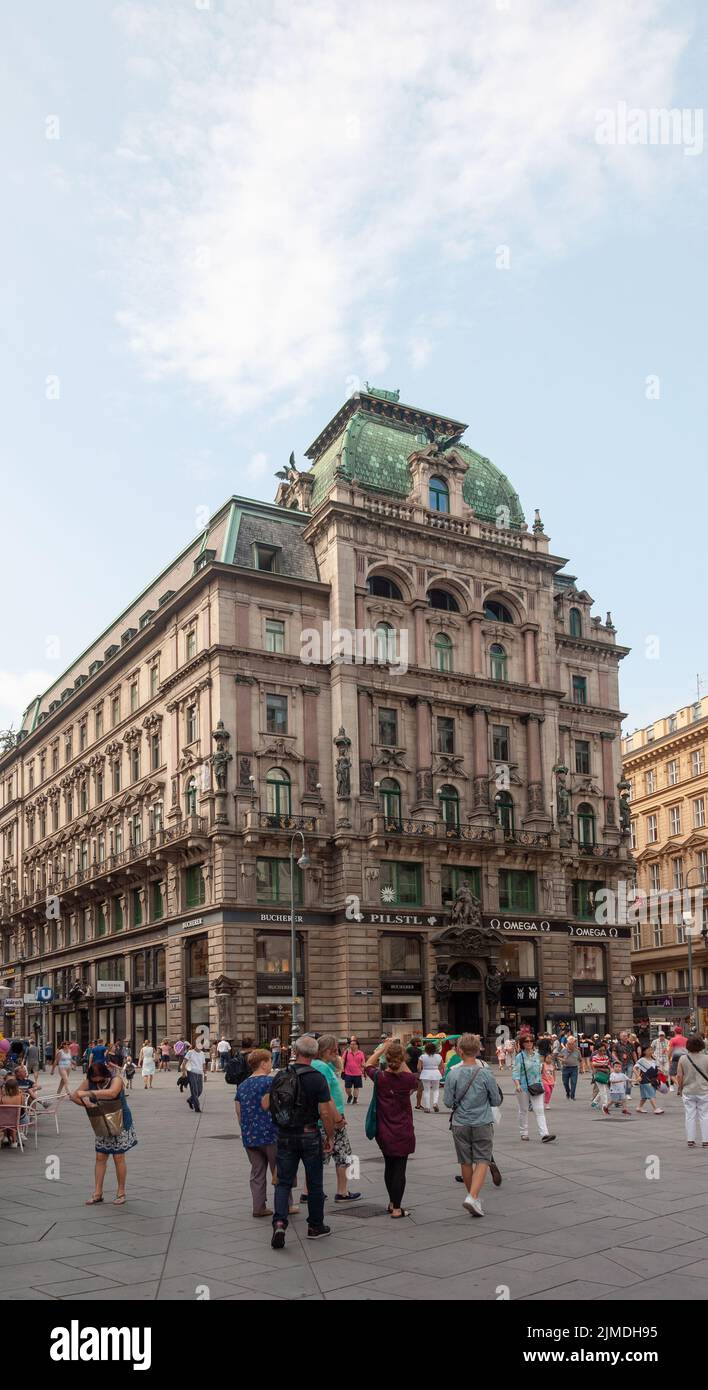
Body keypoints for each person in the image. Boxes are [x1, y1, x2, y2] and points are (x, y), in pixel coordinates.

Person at [265, 1034, 336, 1248]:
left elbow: (267, 1104)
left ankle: (279, 1223)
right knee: (314, 1182)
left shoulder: (281, 1075)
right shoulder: (317, 1078)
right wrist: (330, 1136)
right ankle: (315, 1226)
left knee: (283, 1182)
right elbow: (325, 1112)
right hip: (309, 1134)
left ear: (295, 1052)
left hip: (285, 1134)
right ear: (314, 1054)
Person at [444, 1032, 502, 1218]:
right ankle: (472, 1197)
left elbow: (446, 1102)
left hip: (460, 1123)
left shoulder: (453, 1074)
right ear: (478, 1051)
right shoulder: (485, 1073)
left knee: (465, 1161)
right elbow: (495, 1100)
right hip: (482, 1121)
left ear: (459, 1051)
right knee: (483, 1159)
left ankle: (473, 1198)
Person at [365, 1038, 419, 1217]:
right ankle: (397, 1208)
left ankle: (391, 1202)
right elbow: (410, 1077)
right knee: (400, 1169)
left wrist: (382, 1049)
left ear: (387, 1059)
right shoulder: (409, 1079)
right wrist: (400, 1057)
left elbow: (368, 1064)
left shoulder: (380, 1078)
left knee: (389, 1166)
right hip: (403, 1129)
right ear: (403, 1059)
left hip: (384, 1129)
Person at [71, 1060, 137, 1204]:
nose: (96, 1081)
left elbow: (112, 1092)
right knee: (100, 1156)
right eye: (93, 1078)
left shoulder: (116, 1079)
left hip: (119, 1121)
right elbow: (74, 1095)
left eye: (99, 1077)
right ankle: (97, 1192)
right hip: (101, 1122)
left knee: (118, 1157)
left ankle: (121, 1192)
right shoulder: (90, 1081)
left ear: (104, 1074)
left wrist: (89, 1093)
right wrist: (87, 1104)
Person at [312, 1036, 361, 1201]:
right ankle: (343, 1192)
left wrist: (334, 1058)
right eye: (334, 1049)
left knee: (319, 1157)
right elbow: (326, 1097)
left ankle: (307, 1192)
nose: (337, 1052)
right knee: (344, 1155)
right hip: (331, 1117)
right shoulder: (322, 1067)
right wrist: (338, 1119)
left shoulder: (320, 1065)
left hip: (323, 1117)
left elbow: (340, 1066)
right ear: (326, 1050)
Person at [235, 1048, 280, 1217]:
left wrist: (246, 1129)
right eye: (269, 1060)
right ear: (263, 1063)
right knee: (279, 1170)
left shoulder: (243, 1085)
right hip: (271, 1134)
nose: (271, 1063)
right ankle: (286, 1205)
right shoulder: (270, 1082)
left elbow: (238, 1111)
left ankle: (258, 1207)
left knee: (257, 1172)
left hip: (250, 1136)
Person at [512, 1035, 556, 1143]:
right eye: (526, 1041)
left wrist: (543, 1083)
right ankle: (524, 1133)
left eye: (531, 1041)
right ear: (522, 1043)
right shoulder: (519, 1057)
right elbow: (516, 1072)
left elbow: (539, 1072)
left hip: (536, 1086)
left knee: (540, 1110)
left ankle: (544, 1134)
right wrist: (517, 1085)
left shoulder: (537, 1055)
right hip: (523, 1087)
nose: (529, 1043)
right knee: (523, 1110)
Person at [677, 1033, 708, 1147]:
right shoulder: (706, 1058)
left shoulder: (683, 1058)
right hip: (704, 1090)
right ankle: (706, 1141)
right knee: (705, 1115)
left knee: (690, 1115)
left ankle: (690, 1140)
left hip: (688, 1090)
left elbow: (679, 1076)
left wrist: (680, 1088)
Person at [634, 1044, 664, 1115]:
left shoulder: (654, 1060)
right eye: (649, 1050)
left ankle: (639, 1107)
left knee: (644, 1096)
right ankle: (655, 1109)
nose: (651, 1051)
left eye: (651, 1049)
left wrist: (661, 1074)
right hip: (645, 1079)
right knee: (651, 1094)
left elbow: (657, 1069)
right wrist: (638, 1076)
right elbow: (634, 1068)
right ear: (644, 1052)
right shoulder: (642, 1060)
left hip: (653, 1079)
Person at [418, 1041, 444, 1112]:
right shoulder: (439, 1056)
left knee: (426, 1090)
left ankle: (427, 1107)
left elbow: (418, 1068)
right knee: (436, 1090)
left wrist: (421, 1072)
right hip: (436, 1073)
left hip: (425, 1073)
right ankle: (435, 1103)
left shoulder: (422, 1056)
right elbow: (442, 1066)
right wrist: (436, 1069)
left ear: (426, 1049)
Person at [612, 1030, 637, 1098]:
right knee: (621, 1078)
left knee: (629, 1078)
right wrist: (616, 1060)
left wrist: (636, 1062)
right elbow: (613, 1053)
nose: (626, 1037)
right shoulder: (616, 1044)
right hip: (620, 1064)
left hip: (630, 1063)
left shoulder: (631, 1044)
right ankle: (621, 1092)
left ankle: (628, 1093)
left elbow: (634, 1053)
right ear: (620, 1037)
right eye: (624, 1036)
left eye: (626, 1036)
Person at [341, 1036, 366, 1104]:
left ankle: (355, 1099)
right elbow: (342, 1060)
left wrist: (364, 1070)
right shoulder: (346, 1052)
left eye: (354, 1044)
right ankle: (350, 1096)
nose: (352, 1045)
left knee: (356, 1087)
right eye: (351, 1044)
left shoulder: (361, 1053)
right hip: (348, 1073)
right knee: (347, 1088)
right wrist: (342, 1069)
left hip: (357, 1073)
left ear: (357, 1045)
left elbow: (363, 1062)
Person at [0, 1074, 23, 1146]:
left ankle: (5, 1137)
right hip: (16, 1120)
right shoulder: (20, 1096)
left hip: (2, 1121)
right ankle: (14, 1141)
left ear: (5, 1088)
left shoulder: (2, 1098)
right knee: (12, 1123)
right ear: (17, 1088)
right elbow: (22, 1108)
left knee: (5, 1119)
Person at [183, 1041, 206, 1113]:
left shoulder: (202, 1053)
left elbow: (204, 1064)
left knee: (200, 1090)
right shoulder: (190, 1052)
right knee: (194, 1090)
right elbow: (184, 1062)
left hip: (199, 1073)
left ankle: (190, 1100)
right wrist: (183, 1072)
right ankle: (197, 1107)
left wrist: (205, 1074)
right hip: (191, 1072)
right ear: (195, 1045)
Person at [668, 1026, 688, 1092]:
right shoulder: (686, 1039)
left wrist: (669, 1058)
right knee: (683, 1073)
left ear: (675, 1032)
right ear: (681, 1032)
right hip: (685, 1057)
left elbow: (670, 1051)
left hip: (676, 1057)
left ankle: (679, 1086)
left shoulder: (673, 1040)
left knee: (672, 1074)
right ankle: (681, 1087)